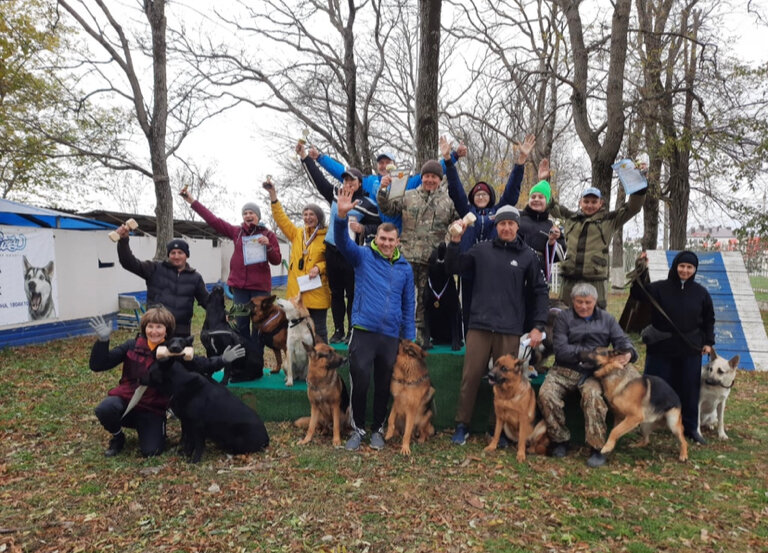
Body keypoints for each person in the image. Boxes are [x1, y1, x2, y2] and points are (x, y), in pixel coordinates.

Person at [444, 205, 549, 446]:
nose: (506, 227)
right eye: (502, 223)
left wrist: (538, 326)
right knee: (470, 377)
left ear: (517, 226)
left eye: (511, 223)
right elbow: (454, 268)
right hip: (479, 325)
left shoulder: (528, 256)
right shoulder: (481, 250)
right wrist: (455, 242)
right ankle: (462, 425)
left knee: (505, 380)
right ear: (497, 226)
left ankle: (496, 431)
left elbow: (540, 291)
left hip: (509, 329)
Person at [88, 308, 241, 457]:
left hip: (152, 408)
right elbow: (99, 365)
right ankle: (118, 437)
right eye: (150, 326)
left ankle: (149, 429)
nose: (154, 331)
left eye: (159, 327)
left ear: (166, 330)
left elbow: (199, 364)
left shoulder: (174, 349)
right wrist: (103, 341)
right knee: (105, 409)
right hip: (127, 401)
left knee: (151, 451)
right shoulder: (131, 346)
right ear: (144, 328)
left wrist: (221, 360)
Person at [333, 187, 415, 451]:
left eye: (392, 240)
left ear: (398, 242)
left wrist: (409, 339)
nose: (387, 243)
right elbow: (343, 243)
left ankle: (378, 428)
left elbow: (408, 304)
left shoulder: (405, 268)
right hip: (364, 330)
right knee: (361, 379)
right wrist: (341, 218)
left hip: (390, 335)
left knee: (383, 383)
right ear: (375, 237)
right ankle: (357, 430)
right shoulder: (363, 256)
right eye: (383, 238)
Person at [537, 283, 638, 467]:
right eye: (579, 302)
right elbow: (561, 350)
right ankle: (560, 440)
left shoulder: (607, 319)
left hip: (594, 373)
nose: (584, 306)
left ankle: (597, 447)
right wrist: (591, 354)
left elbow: (623, 340)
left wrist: (629, 353)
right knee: (546, 394)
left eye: (588, 303)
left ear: (595, 302)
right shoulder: (562, 319)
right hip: (564, 369)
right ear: (572, 301)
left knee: (592, 397)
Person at [444, 134, 535, 332]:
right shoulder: (467, 211)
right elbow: (456, 189)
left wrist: (520, 162)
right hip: (470, 269)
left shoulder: (499, 212)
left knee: (497, 310)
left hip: (496, 269)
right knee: (469, 311)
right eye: (477, 194)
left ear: (491, 197)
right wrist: (449, 162)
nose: (481, 196)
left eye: (485, 194)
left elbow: (511, 191)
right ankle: (471, 347)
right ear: (472, 198)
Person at [299, 141, 381, 343]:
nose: (347, 184)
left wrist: (363, 229)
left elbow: (379, 226)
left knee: (352, 293)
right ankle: (338, 330)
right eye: (345, 180)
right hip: (332, 250)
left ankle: (353, 330)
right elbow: (319, 181)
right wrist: (306, 159)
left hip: (352, 253)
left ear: (359, 184)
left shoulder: (368, 204)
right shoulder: (336, 194)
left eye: (352, 181)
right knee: (336, 293)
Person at [630, 250, 715, 445]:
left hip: (689, 349)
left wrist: (708, 342)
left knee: (689, 389)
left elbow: (709, 319)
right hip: (661, 348)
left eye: (689, 267)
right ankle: (645, 425)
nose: (685, 270)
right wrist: (641, 269)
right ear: (676, 266)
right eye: (682, 266)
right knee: (654, 388)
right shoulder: (660, 288)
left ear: (695, 269)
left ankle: (691, 427)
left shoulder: (701, 293)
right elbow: (637, 293)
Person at [377, 155, 458, 346]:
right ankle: (395, 333)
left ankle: (421, 336)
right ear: (422, 177)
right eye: (427, 176)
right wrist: (383, 189)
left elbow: (456, 224)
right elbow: (388, 209)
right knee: (400, 295)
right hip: (406, 256)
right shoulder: (408, 195)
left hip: (432, 262)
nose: (430, 180)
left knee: (424, 299)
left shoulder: (448, 202)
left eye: (434, 177)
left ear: (440, 179)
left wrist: (445, 246)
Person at [183, 191, 282, 347]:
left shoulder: (268, 234)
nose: (248, 216)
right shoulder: (237, 232)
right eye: (245, 213)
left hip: (260, 291)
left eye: (251, 213)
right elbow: (213, 220)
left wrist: (268, 245)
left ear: (258, 216)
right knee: (240, 325)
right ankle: (243, 361)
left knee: (259, 327)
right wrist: (192, 201)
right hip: (240, 291)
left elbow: (276, 260)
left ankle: (257, 362)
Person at [548, 177, 646, 308]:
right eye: (586, 201)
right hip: (569, 280)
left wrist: (637, 182)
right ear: (580, 202)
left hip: (595, 282)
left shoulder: (609, 220)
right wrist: (545, 180)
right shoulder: (570, 218)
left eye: (594, 202)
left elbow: (633, 207)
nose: (589, 205)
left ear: (601, 203)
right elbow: (551, 205)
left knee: (595, 320)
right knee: (565, 317)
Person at [313, 148, 460, 232]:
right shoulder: (370, 181)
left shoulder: (405, 181)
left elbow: (432, 172)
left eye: (387, 162)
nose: (384, 166)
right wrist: (320, 158)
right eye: (381, 163)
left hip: (399, 235)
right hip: (374, 232)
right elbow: (344, 173)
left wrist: (454, 156)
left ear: (394, 164)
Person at [266, 180, 331, 343]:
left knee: (319, 333)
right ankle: (301, 366)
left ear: (319, 217)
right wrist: (273, 196)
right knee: (295, 335)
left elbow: (332, 262)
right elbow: (281, 219)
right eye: (305, 214)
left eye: (312, 215)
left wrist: (319, 267)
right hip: (297, 295)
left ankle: (323, 365)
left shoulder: (327, 237)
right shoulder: (296, 234)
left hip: (317, 293)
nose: (308, 218)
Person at [116, 227, 208, 337]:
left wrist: (227, 314)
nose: (176, 256)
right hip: (155, 331)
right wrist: (123, 241)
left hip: (181, 333)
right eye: (173, 253)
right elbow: (129, 263)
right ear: (168, 255)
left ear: (186, 255)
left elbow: (207, 301)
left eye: (180, 252)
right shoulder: (154, 269)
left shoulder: (195, 277)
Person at [517, 160, 566, 283]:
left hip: (539, 277)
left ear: (547, 201)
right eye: (533, 197)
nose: (536, 199)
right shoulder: (518, 217)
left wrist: (551, 242)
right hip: (516, 273)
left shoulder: (551, 225)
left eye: (541, 197)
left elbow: (560, 255)